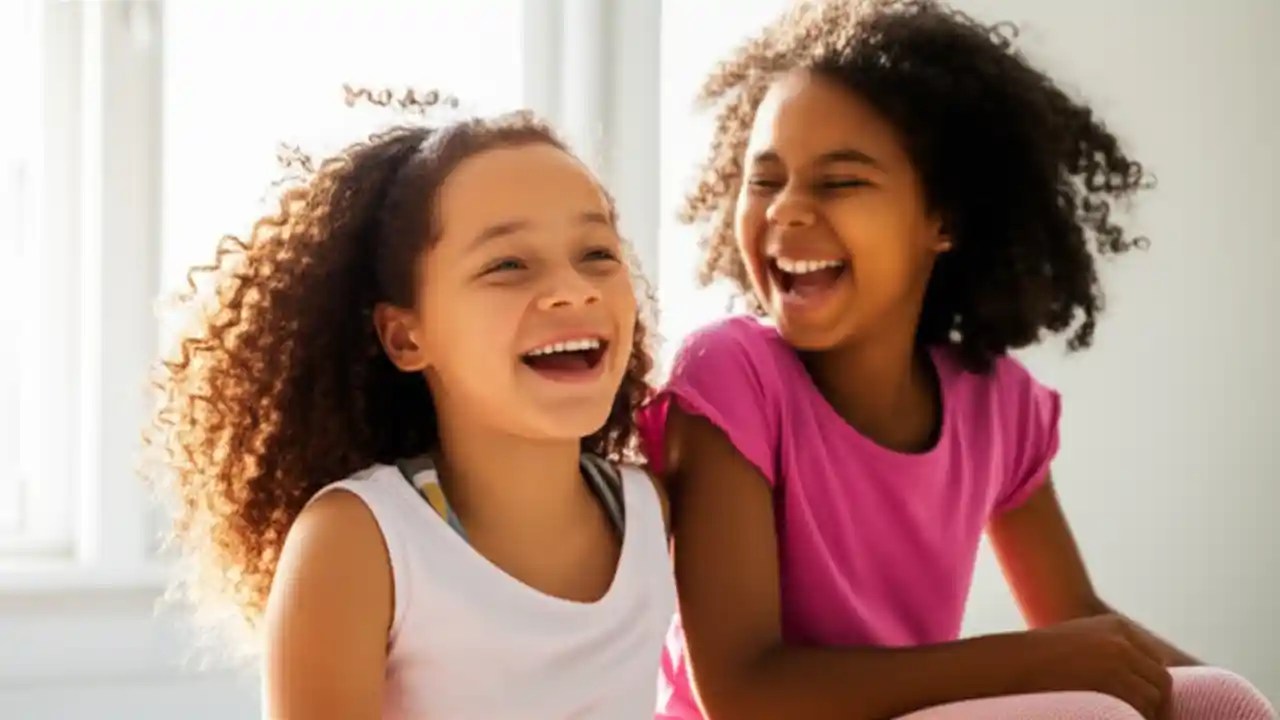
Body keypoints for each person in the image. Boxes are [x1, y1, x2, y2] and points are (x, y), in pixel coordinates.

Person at [640, 2, 1276, 719]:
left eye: (839, 181)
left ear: (944, 219)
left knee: (1220, 701)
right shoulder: (731, 376)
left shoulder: (994, 404)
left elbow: (1072, 617)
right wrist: (1032, 662)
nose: (786, 210)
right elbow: (744, 693)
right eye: (766, 180)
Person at [146, 89, 674, 720]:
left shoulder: (658, 519)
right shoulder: (359, 542)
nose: (571, 290)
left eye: (597, 255)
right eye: (507, 264)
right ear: (406, 337)